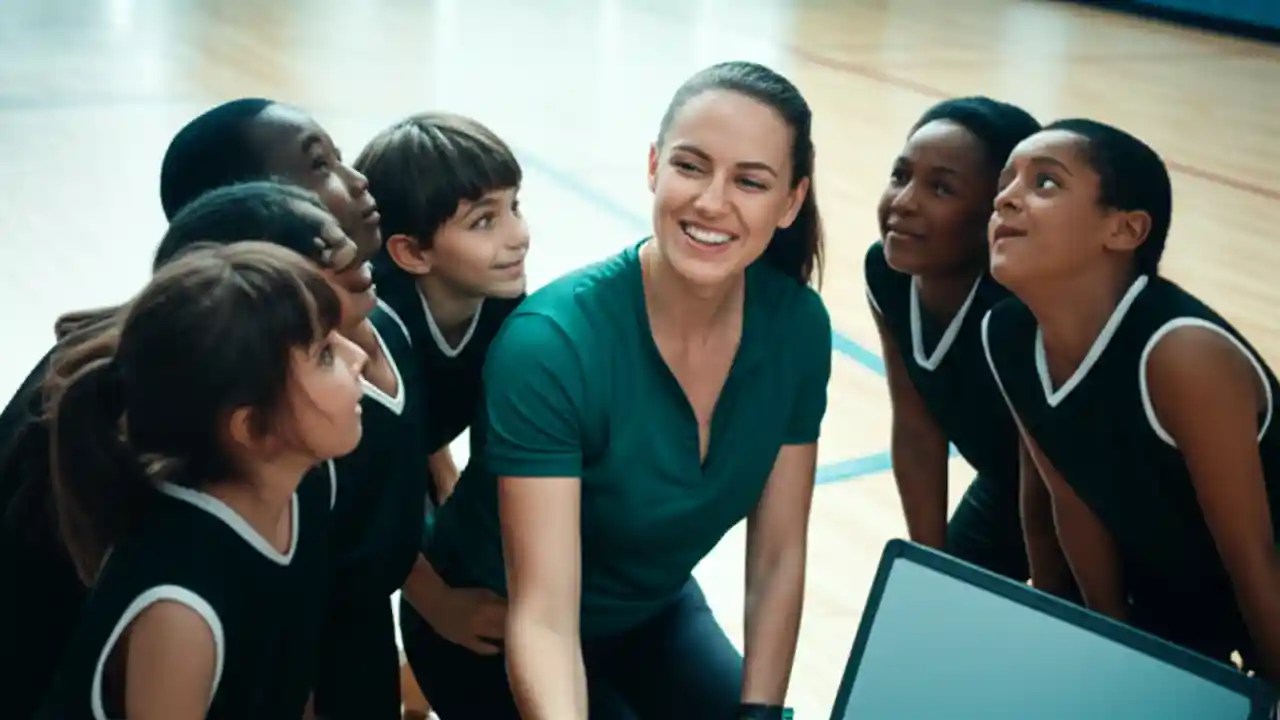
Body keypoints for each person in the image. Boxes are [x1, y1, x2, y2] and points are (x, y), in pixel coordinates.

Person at [417, 60, 832, 719]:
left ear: (789, 202)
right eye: (690, 166)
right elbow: (544, 618)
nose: (712, 201)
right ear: (653, 166)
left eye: (750, 181)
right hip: (495, 628)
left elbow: (778, 557)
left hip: (650, 616)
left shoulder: (798, 328)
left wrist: (759, 713)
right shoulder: (552, 345)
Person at [0, 181, 368, 718]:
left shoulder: (307, 482)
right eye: (325, 354)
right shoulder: (180, 612)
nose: (358, 356)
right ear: (251, 427)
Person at [983, 119, 1280, 678]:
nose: (1005, 199)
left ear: (1124, 229)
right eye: (1006, 182)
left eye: (1045, 182)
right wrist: (1112, 643)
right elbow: (1071, 500)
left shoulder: (1182, 354)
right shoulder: (1008, 333)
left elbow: (1254, 554)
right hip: (1181, 592)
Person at [352, 112, 528, 698]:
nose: (518, 235)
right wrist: (439, 604)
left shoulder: (501, 295)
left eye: (515, 206)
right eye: (484, 221)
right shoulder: (374, 335)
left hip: (401, 457)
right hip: (338, 495)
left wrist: (444, 467)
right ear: (411, 252)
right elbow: (364, 506)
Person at [865, 97, 1042, 581]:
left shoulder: (1019, 309)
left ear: (997, 211)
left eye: (941, 188)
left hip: (1098, 506)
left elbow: (1054, 480)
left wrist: (1054, 598)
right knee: (929, 608)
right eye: (900, 175)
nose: (904, 201)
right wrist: (930, 568)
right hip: (1007, 486)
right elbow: (916, 429)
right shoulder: (887, 273)